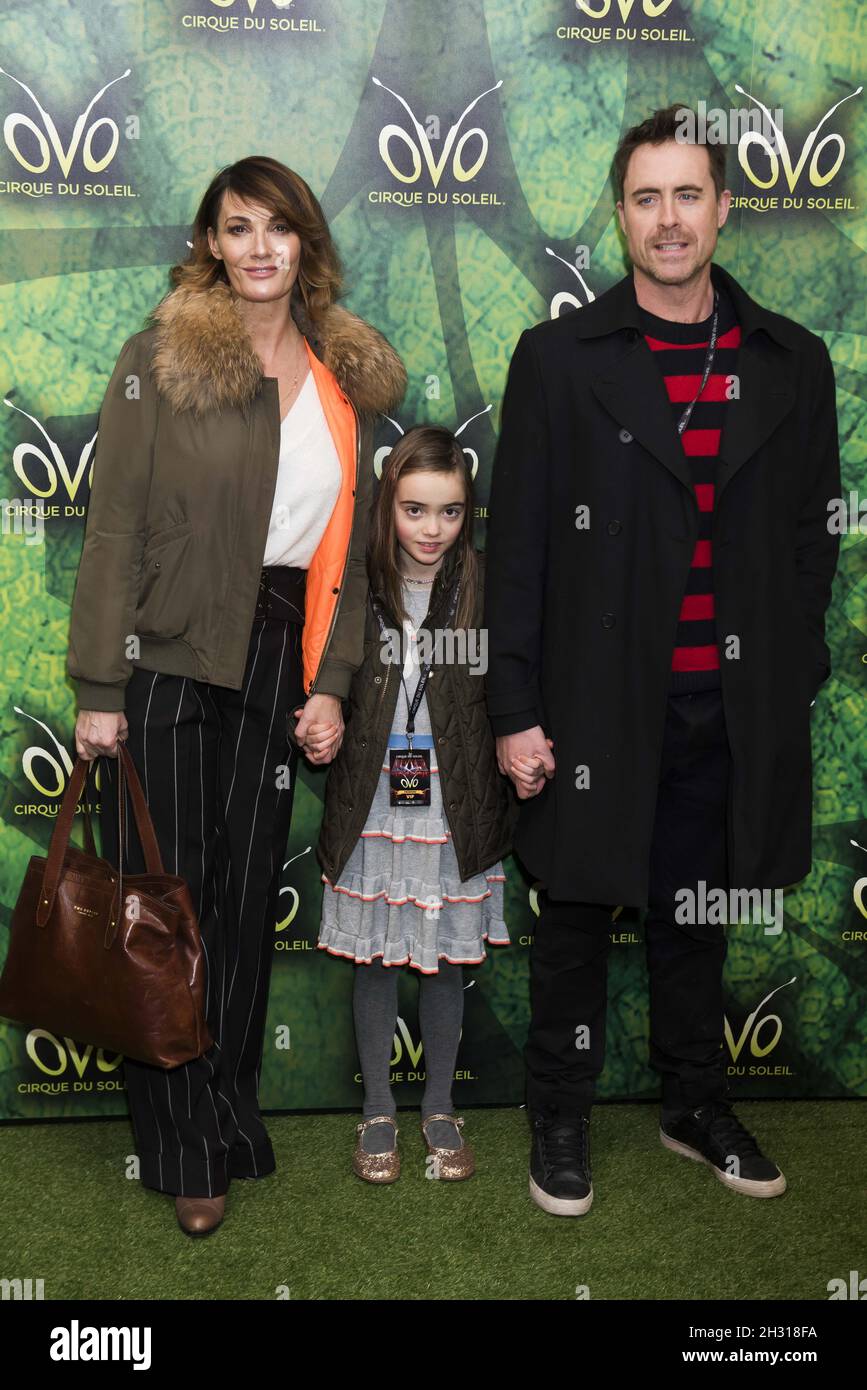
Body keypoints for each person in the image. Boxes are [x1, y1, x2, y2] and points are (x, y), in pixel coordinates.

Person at [484, 105, 841, 1215]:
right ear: (621, 213)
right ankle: (560, 1112)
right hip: (594, 707)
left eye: (690, 195)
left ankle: (695, 1101)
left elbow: (811, 534)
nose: (669, 219)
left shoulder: (791, 360)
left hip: (727, 706)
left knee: (699, 913)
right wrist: (517, 707)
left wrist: (785, 672)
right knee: (578, 918)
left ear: (725, 209)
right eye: (647, 197)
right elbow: (522, 550)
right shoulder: (558, 359)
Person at [66, 155, 406, 1236]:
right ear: (211, 242)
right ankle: (177, 1143)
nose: (260, 246)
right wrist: (99, 685)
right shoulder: (157, 361)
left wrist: (333, 683)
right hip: (163, 656)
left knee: (247, 895)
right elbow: (111, 525)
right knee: (164, 905)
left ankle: (224, 1108)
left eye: (280, 227)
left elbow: (346, 558)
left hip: (276, 658)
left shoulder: (342, 381)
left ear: (307, 244)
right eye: (238, 226)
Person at [316, 425, 518, 1182]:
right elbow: (325, 679)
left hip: (453, 801)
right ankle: (376, 1109)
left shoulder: (484, 586)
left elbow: (509, 688)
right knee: (374, 960)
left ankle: (438, 1107)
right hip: (374, 799)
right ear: (386, 508)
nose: (432, 530)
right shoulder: (353, 585)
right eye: (414, 510)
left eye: (450, 512)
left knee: (441, 966)